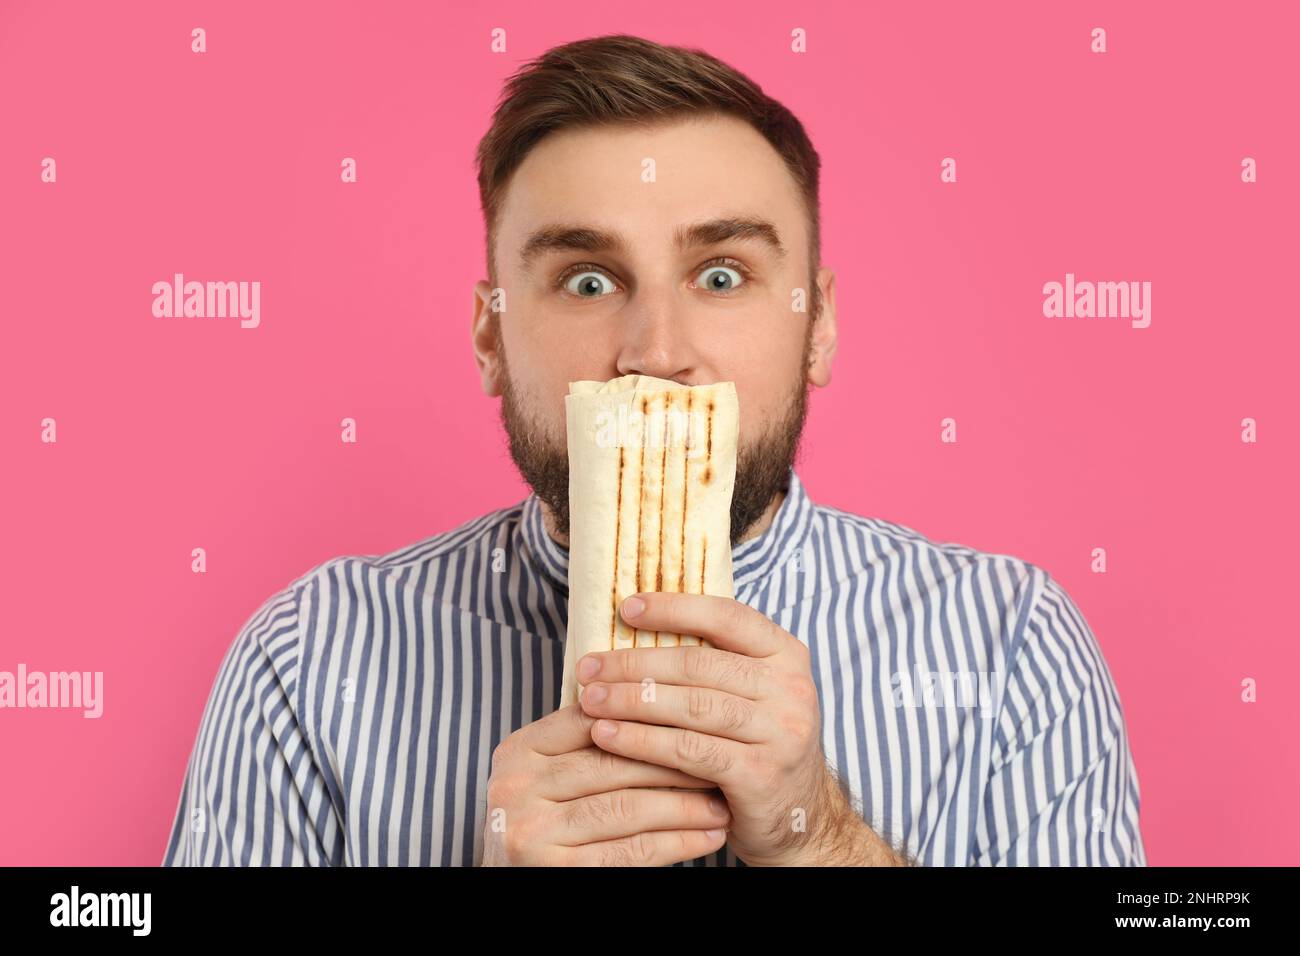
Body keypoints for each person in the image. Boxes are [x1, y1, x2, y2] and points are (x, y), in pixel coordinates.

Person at [163, 33, 1145, 867]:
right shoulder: (304, 659)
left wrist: (821, 839)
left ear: (820, 326)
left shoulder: (1012, 642)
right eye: (587, 282)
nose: (655, 355)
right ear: (490, 338)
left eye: (722, 274)